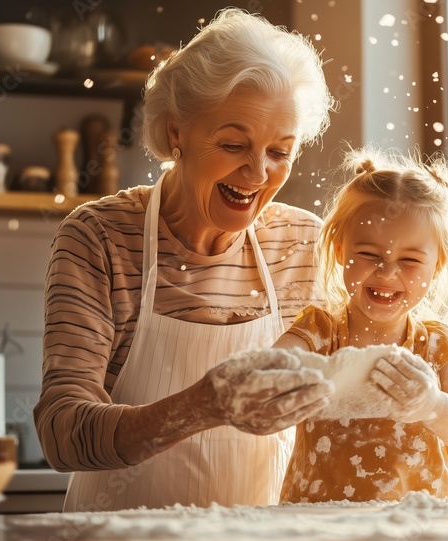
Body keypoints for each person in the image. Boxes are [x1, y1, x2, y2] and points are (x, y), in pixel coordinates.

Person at [33, 8, 336, 512]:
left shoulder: (303, 243)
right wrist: (200, 407)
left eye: (280, 152)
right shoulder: (100, 238)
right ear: (177, 133)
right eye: (234, 144)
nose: (257, 172)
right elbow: (60, 431)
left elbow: (334, 411)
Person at [273, 148, 448, 503]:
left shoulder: (438, 344)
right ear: (340, 250)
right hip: (321, 527)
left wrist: (433, 404)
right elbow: (266, 379)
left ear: (436, 266)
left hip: (423, 526)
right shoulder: (319, 332)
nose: (387, 272)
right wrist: (289, 387)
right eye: (369, 255)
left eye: (409, 260)